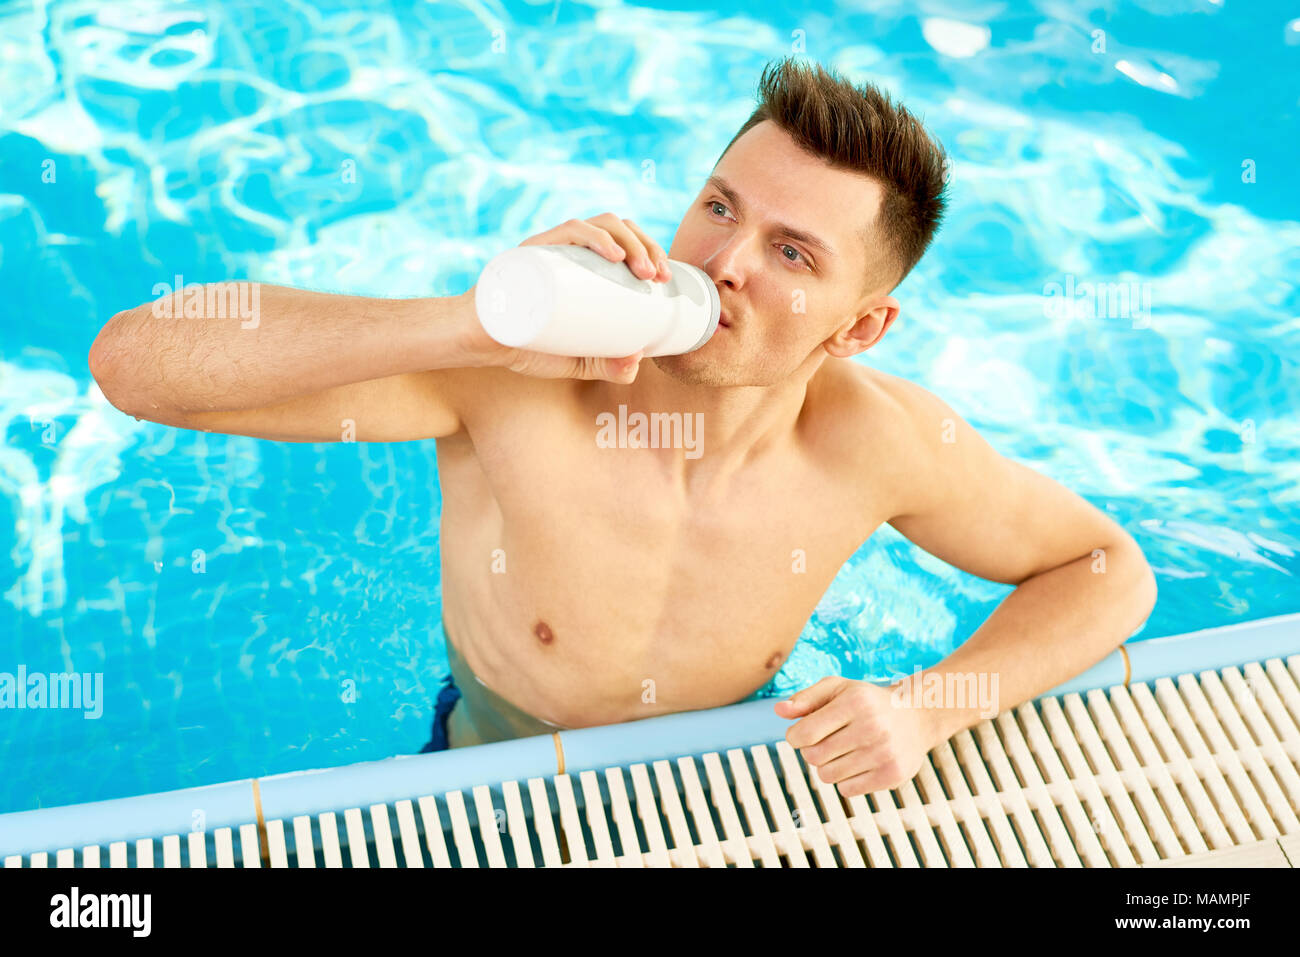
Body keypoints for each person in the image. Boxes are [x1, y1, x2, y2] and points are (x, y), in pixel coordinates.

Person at [88, 58, 1156, 798]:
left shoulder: (879, 444)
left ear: (862, 326)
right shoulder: (509, 382)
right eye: (722, 208)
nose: (724, 262)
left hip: (727, 788)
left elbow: (1107, 568)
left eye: (793, 254)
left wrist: (928, 709)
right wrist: (468, 322)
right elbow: (132, 365)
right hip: (482, 789)